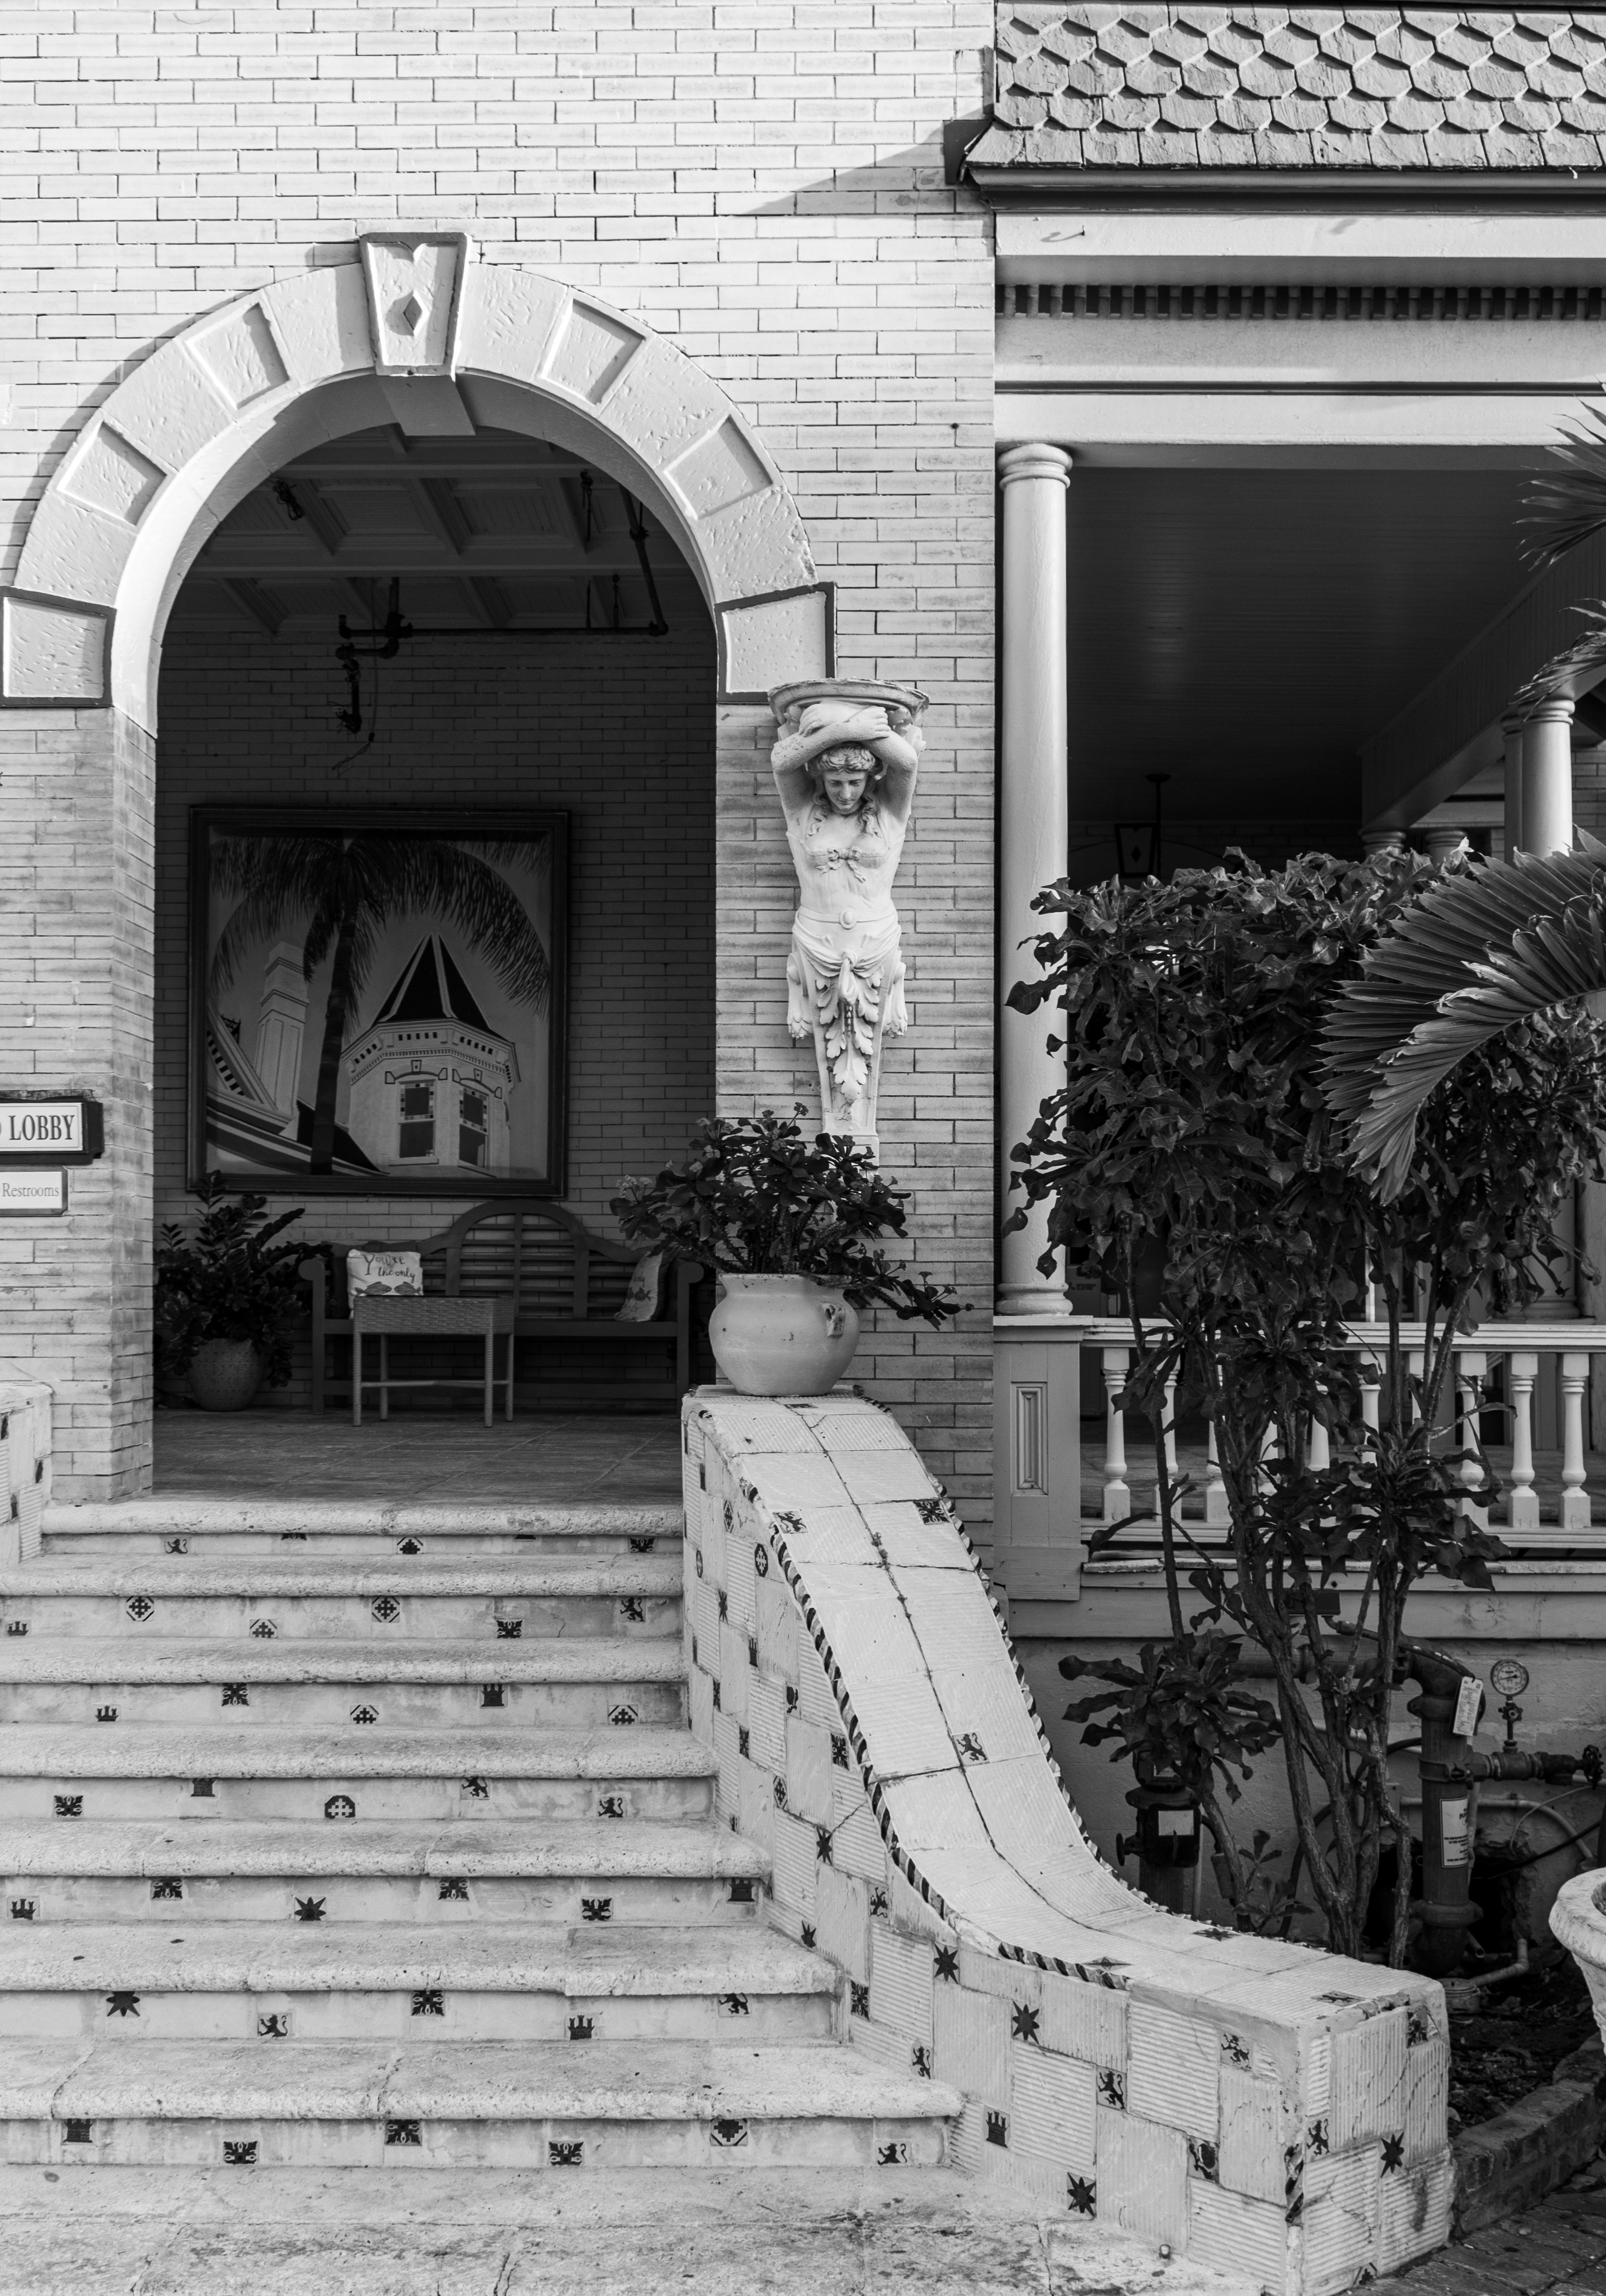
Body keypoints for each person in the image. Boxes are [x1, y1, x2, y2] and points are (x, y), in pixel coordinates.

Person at [769, 700, 923, 1136]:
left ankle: (854, 1138)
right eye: (835, 781)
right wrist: (846, 730)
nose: (845, 792)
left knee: (860, 1060)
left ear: (869, 777)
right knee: (834, 1059)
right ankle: (843, 1138)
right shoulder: (803, 813)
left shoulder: (890, 815)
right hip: (817, 941)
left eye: (855, 780)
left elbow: (907, 762)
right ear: (820, 777)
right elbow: (782, 763)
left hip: (875, 942)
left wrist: (853, 729)